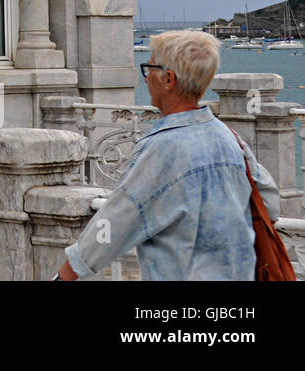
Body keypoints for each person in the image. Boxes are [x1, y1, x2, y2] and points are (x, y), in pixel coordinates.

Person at [57, 30, 279, 281]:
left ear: (168, 80)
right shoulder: (231, 139)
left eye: (149, 67)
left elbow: (113, 225)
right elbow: (269, 203)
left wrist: (63, 276)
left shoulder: (158, 149)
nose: (146, 78)